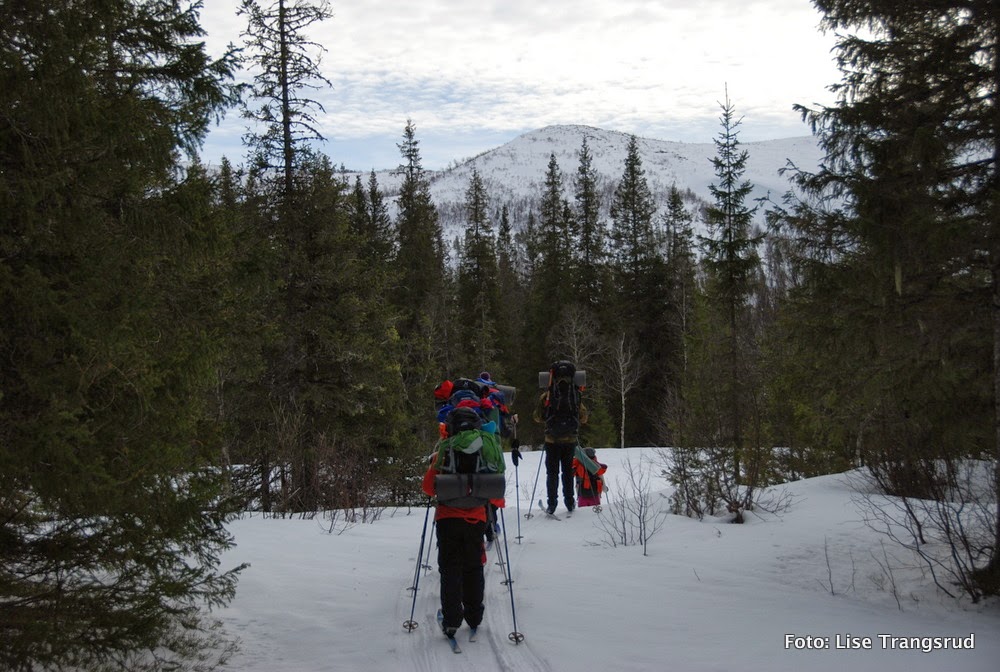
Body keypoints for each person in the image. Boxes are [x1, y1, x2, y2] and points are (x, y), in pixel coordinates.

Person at [421, 407, 506, 640]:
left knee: (450, 569)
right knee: (473, 567)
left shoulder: (445, 451)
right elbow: (497, 494)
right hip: (476, 518)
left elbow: (428, 488)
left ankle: (451, 622)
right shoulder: (487, 451)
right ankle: (474, 617)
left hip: (448, 519)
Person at [533, 360, 588, 515]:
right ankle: (570, 503)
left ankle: (552, 504)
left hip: (551, 440)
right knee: (567, 473)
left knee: (552, 473)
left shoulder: (548, 395)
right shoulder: (575, 394)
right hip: (570, 440)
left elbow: (537, 417)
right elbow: (583, 417)